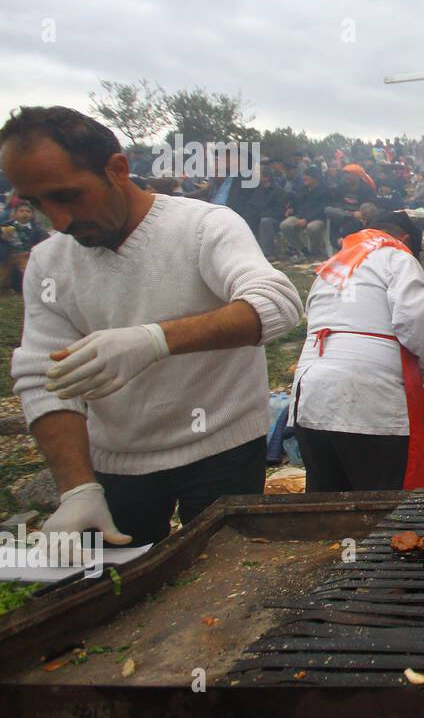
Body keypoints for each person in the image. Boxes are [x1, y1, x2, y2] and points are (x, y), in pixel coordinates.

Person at [3, 106, 303, 552]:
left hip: (224, 444)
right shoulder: (50, 263)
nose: (59, 222)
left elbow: (276, 303)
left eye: (69, 197)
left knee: (223, 583)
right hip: (119, 461)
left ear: (117, 169)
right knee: (121, 593)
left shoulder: (202, 226)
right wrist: (77, 487)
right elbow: (43, 378)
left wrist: (154, 340)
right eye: (37, 204)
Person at [288, 212, 424, 492]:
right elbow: (415, 318)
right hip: (371, 403)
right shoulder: (397, 256)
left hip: (312, 399)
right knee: (383, 509)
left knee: (328, 507)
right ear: (405, 239)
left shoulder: (332, 266)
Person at [281, 166, 332, 259]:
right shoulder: (303, 189)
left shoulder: (325, 191)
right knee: (285, 225)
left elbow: (322, 209)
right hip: (300, 216)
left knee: (312, 228)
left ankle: (314, 251)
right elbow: (296, 200)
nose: (304, 178)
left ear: (315, 177)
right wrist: (291, 208)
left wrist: (307, 219)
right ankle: (302, 249)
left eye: (307, 176)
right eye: (304, 175)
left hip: (317, 218)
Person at [235, 168, 288, 257]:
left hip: (273, 219)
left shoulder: (279, 192)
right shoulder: (255, 190)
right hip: (256, 216)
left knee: (265, 222)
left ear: (266, 178)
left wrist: (260, 215)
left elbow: (278, 211)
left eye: (258, 175)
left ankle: (266, 253)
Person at [0, 200, 48, 293]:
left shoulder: (36, 229)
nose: (24, 213)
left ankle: (30, 288)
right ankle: (5, 287)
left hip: (25, 255)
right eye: (21, 211)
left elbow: (44, 239)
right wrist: (3, 237)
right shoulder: (6, 225)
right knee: (2, 274)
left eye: (28, 211)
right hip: (7, 254)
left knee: (28, 272)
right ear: (15, 213)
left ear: (32, 215)